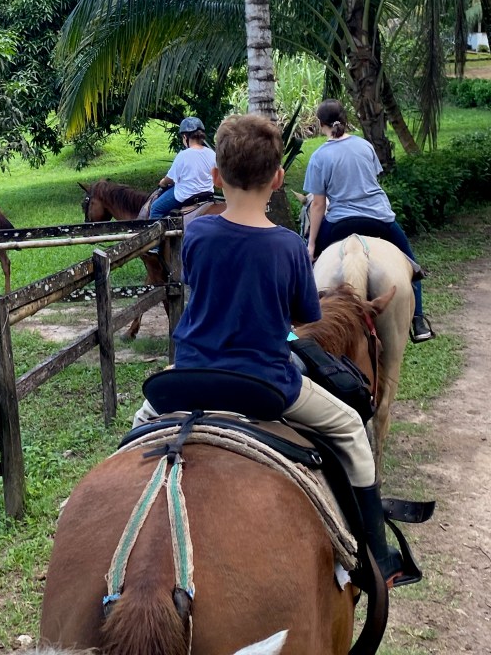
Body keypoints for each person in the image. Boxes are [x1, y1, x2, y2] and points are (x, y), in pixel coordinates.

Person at [144, 113, 406, 586]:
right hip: (264, 384)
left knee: (140, 427)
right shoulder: (287, 246)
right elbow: (306, 318)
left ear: (216, 177)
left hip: (187, 376)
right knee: (350, 429)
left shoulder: (197, 234)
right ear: (279, 179)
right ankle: (378, 560)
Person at [303, 99, 434, 343]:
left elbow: (318, 205)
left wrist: (311, 246)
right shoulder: (365, 146)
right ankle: (418, 320)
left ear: (320, 124)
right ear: (344, 118)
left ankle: (304, 320)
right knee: (412, 266)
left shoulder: (319, 157)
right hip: (379, 218)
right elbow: (371, 181)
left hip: (341, 222)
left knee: (307, 269)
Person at [149, 116, 217, 219]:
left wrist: (163, 182)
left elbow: (170, 179)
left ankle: (156, 234)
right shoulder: (211, 153)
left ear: (185, 137)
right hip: (207, 195)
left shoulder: (183, 155)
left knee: (155, 208)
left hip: (186, 195)